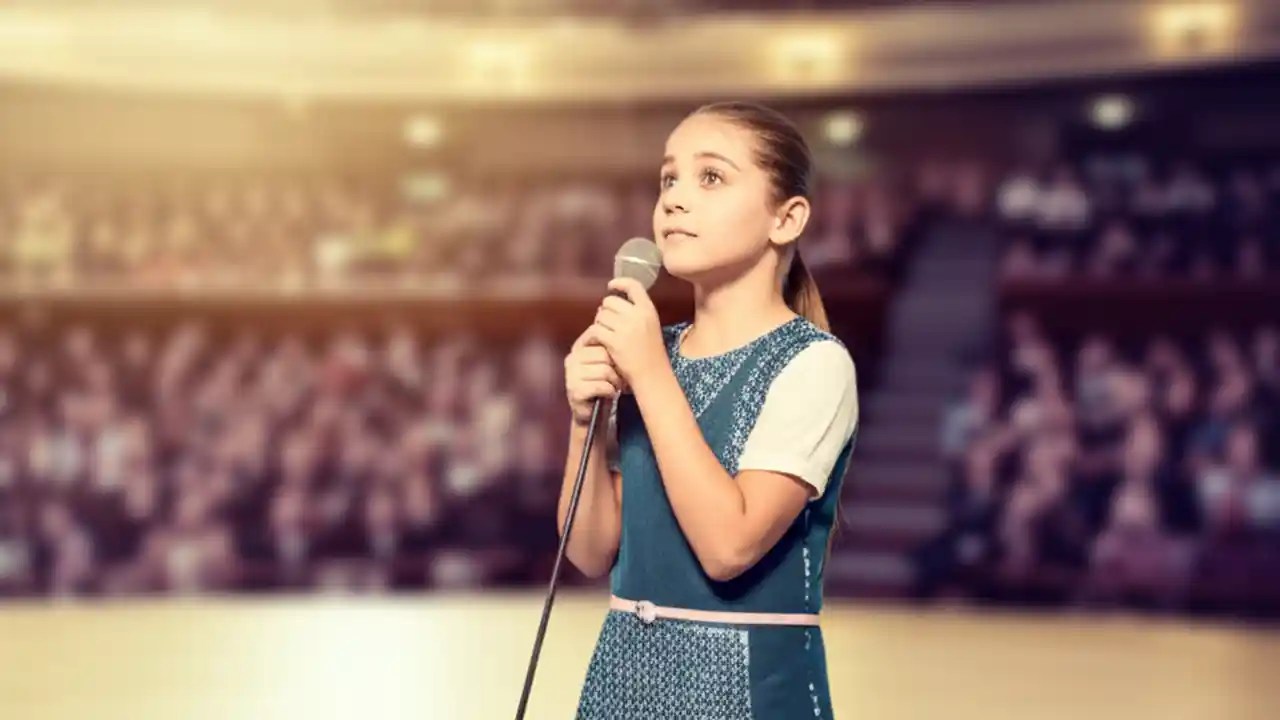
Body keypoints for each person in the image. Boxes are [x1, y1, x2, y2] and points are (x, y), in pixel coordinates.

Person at [558, 101, 860, 719]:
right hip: (622, 680)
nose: (674, 199)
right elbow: (589, 553)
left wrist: (649, 375)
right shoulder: (654, 350)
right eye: (669, 179)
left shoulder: (814, 364)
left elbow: (730, 547)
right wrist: (583, 421)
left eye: (711, 178)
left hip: (746, 689)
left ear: (787, 218)